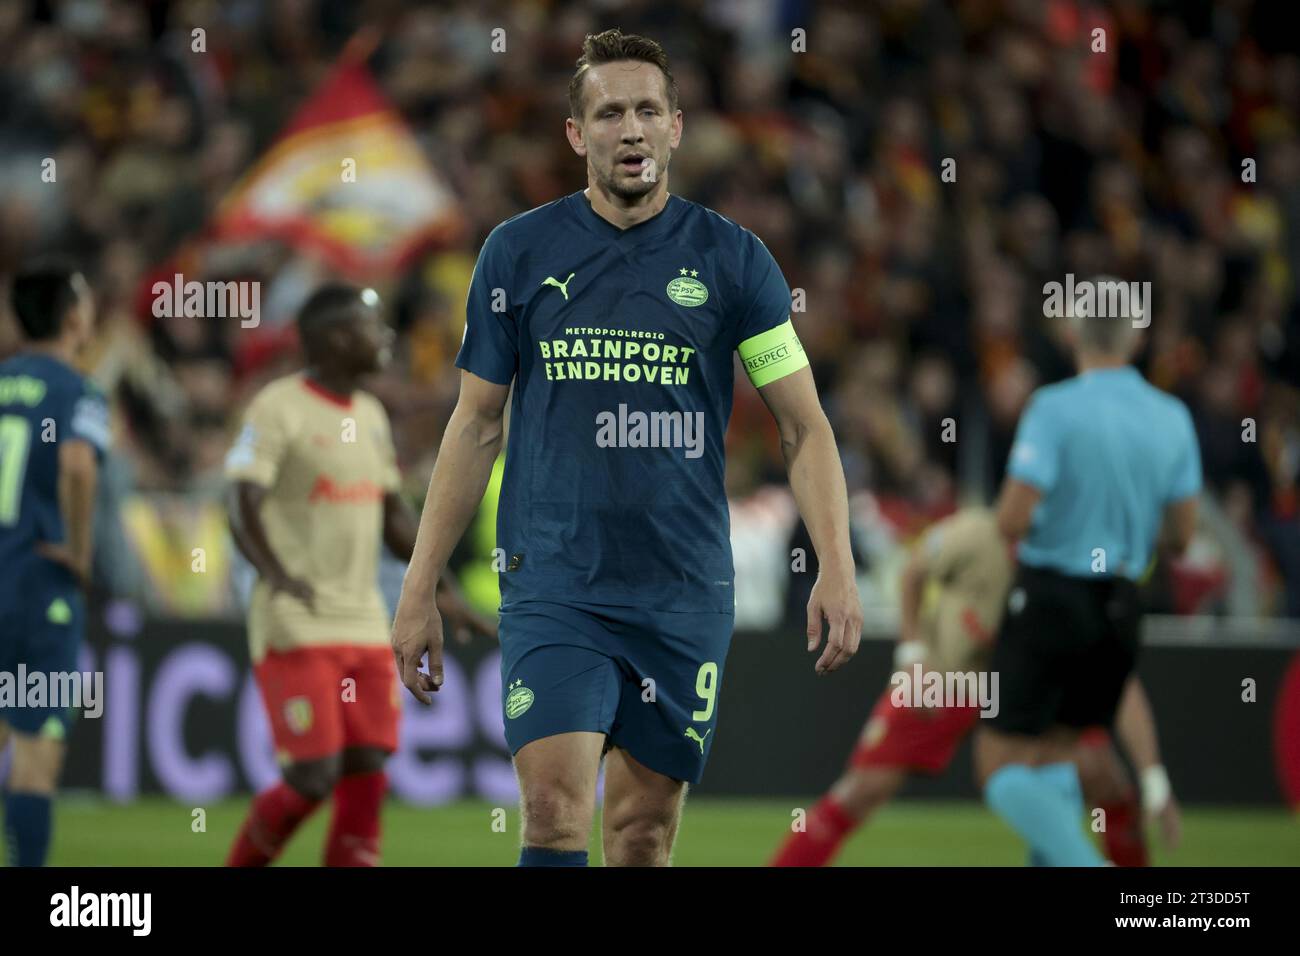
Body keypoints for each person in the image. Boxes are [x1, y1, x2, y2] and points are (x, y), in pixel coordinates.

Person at [390, 29, 863, 867]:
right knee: (553, 810)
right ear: (578, 134)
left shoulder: (735, 261)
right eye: (610, 113)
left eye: (649, 110)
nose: (632, 129)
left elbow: (804, 426)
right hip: (554, 579)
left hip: (681, 585)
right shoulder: (518, 252)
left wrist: (836, 561)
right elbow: (474, 424)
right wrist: (418, 583)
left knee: (642, 833)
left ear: (677, 126)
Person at [224, 283, 491, 867]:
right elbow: (240, 500)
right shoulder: (278, 407)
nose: (386, 338)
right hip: (297, 619)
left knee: (369, 763)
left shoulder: (369, 415)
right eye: (374, 327)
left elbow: (392, 515)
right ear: (338, 338)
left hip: (364, 619)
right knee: (312, 775)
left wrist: (440, 590)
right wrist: (275, 573)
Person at [769, 508, 1181, 866]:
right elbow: (914, 571)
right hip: (950, 678)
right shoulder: (976, 535)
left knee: (1107, 783)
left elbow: (1116, 679)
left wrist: (1153, 776)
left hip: (1031, 689)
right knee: (860, 791)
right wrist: (911, 659)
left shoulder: (1076, 565)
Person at [975, 281, 1201, 865]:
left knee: (997, 766)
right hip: (1124, 606)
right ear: (1137, 336)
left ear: (1071, 332)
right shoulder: (1172, 417)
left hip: (1054, 594)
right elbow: (1181, 536)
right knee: (1058, 754)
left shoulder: (1054, 407)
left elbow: (1012, 517)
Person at [0, 261, 110, 866]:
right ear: (73, 316)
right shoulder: (77, 390)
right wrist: (80, 551)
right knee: (34, 760)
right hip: (41, 587)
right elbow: (76, 464)